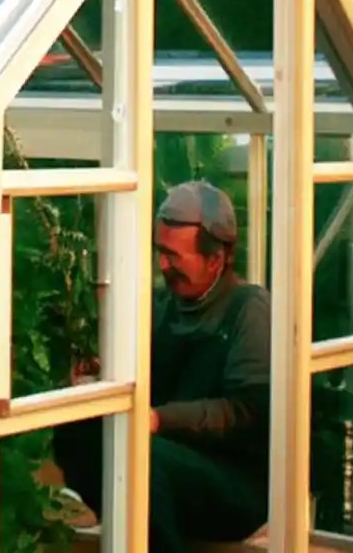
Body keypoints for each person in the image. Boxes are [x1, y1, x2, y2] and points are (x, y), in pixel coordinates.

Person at [51, 180, 271, 553]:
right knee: (76, 432)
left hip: (234, 482)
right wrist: (101, 376)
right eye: (159, 252)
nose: (163, 265)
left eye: (173, 256)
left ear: (216, 259)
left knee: (142, 459)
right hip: (163, 458)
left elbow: (245, 411)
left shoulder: (249, 310)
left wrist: (159, 420)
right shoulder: (161, 306)